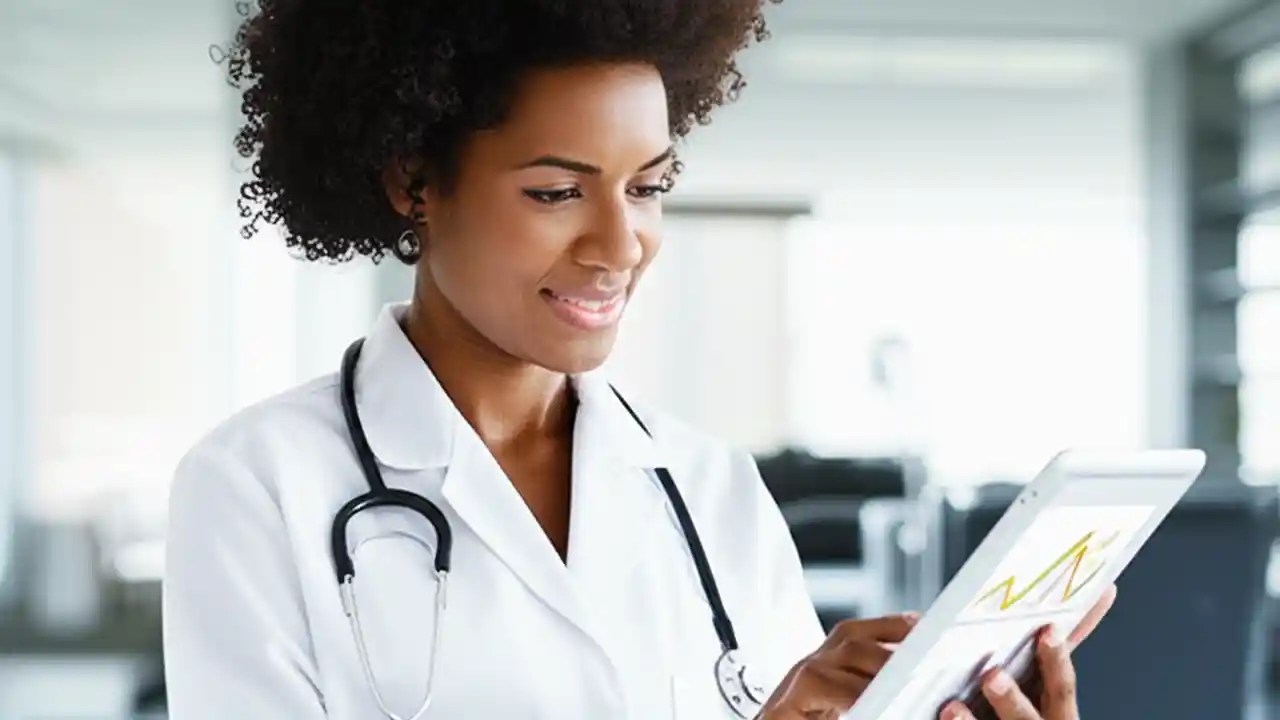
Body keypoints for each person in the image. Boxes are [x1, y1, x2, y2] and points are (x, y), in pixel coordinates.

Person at [162, 1, 1115, 718]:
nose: (621, 245)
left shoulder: (710, 489)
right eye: (554, 193)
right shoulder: (258, 487)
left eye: (650, 186)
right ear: (414, 180)